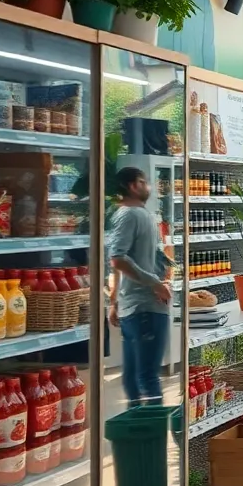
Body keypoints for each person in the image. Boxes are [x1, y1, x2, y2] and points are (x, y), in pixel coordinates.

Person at [108, 167, 172, 409]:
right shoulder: (131, 215)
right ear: (133, 186)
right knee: (147, 377)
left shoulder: (136, 215)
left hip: (133, 307)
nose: (150, 187)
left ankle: (136, 431)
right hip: (146, 307)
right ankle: (150, 437)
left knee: (134, 378)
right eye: (145, 182)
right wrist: (156, 284)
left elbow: (120, 260)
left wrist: (114, 302)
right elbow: (117, 259)